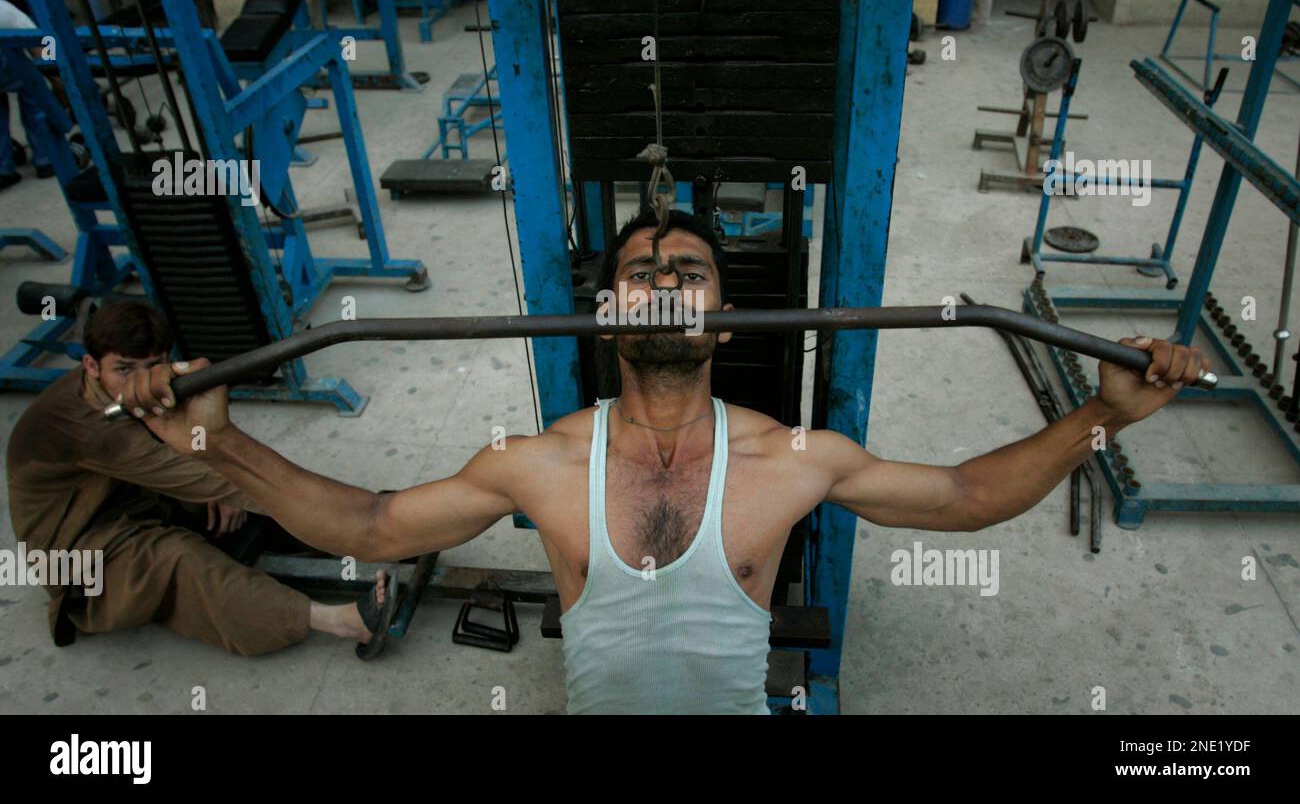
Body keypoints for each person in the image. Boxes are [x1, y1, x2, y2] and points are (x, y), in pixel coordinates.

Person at [117, 210, 1210, 713]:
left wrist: (1100, 419)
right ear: (607, 313)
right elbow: (367, 526)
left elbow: (966, 498)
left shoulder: (795, 457)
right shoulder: (538, 461)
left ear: (725, 315)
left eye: (690, 269)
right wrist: (213, 440)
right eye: (642, 271)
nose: (666, 279)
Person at [6, 301, 397, 657]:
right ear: (91, 366)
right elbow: (221, 476)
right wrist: (362, 516)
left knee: (258, 502)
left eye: (152, 366)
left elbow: (201, 455)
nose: (140, 383)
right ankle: (340, 621)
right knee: (178, 557)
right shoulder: (90, 428)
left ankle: (385, 538)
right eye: (124, 370)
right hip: (83, 554)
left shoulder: (137, 390)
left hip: (138, 499)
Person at [0, 0, 53, 188]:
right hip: (9, 67)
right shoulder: (9, 11)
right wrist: (58, 78)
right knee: (34, 99)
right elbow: (44, 45)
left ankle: (3, 169)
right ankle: (46, 158)